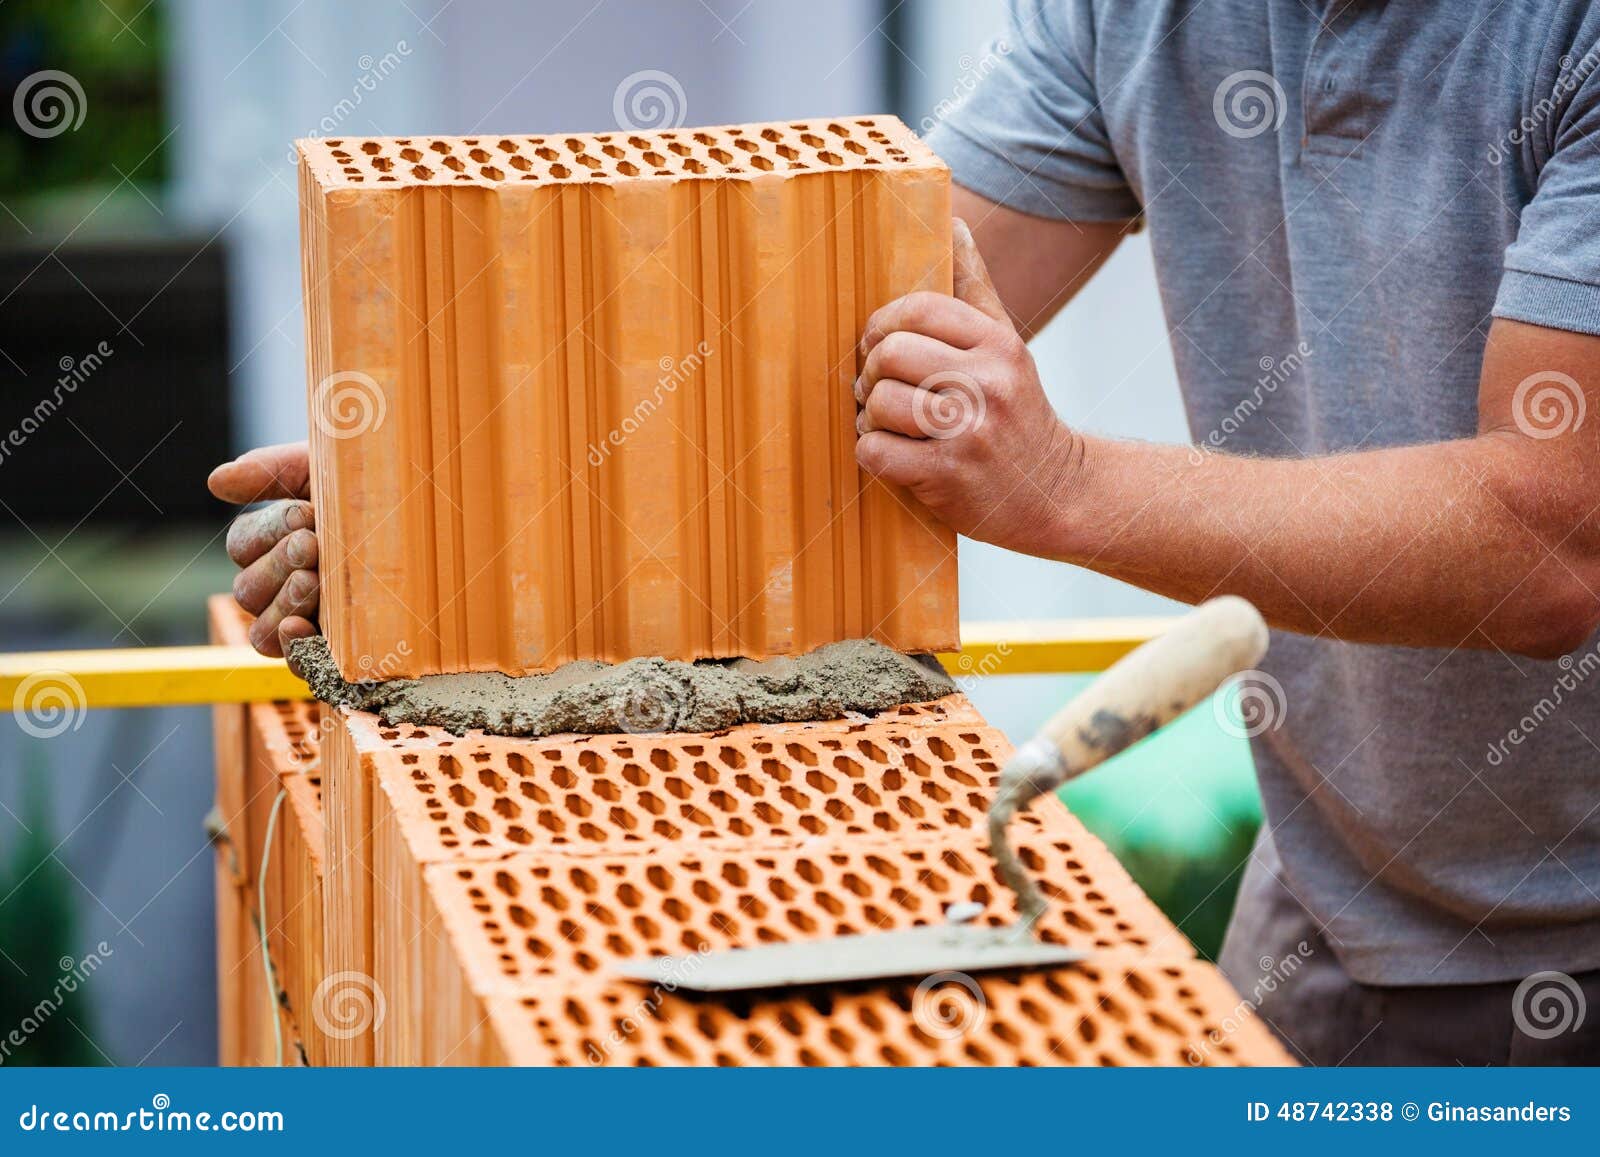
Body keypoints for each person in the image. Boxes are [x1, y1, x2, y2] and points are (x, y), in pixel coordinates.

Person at [212, 2, 1600, 1065]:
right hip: (1334, 894)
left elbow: (1551, 538)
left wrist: (1061, 486)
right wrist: (443, 500)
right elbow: (832, 329)